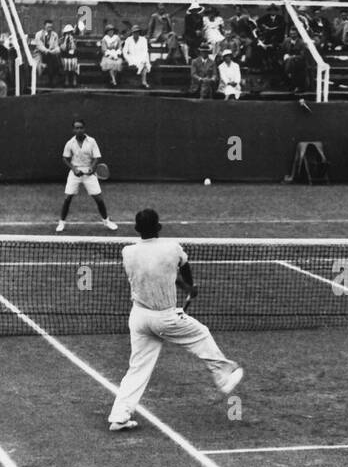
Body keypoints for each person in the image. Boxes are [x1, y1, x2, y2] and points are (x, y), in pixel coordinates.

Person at [106, 208, 244, 431]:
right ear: (159, 227)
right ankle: (223, 375)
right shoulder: (172, 248)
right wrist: (190, 287)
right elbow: (183, 267)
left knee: (137, 369)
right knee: (201, 333)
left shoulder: (127, 252)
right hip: (164, 318)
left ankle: (119, 416)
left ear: (137, 229)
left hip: (139, 318)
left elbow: (162, 274)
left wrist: (185, 287)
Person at [56, 119, 117, 232]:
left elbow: (96, 157)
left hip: (89, 171)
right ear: (73, 130)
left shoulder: (92, 141)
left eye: (81, 128)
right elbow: (65, 158)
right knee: (67, 197)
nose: (79, 130)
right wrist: (74, 169)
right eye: (76, 128)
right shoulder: (70, 143)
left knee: (98, 198)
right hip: (75, 172)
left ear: (84, 129)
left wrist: (92, 168)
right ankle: (62, 222)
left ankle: (106, 221)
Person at [33, 20, 61, 87]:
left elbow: (56, 46)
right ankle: (45, 82)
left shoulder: (54, 35)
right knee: (40, 64)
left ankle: (51, 81)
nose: (50, 28)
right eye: (48, 27)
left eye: (51, 27)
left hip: (50, 54)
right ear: (44, 26)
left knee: (54, 59)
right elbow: (39, 46)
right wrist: (47, 51)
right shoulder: (38, 34)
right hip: (40, 53)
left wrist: (54, 51)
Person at [122, 24, 152, 88]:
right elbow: (124, 52)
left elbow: (145, 51)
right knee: (140, 63)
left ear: (139, 32)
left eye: (137, 32)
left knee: (144, 62)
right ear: (132, 33)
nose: (136, 33)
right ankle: (139, 74)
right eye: (134, 32)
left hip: (141, 56)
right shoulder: (128, 40)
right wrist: (128, 59)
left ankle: (144, 81)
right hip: (131, 57)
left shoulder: (143, 39)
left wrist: (142, 57)